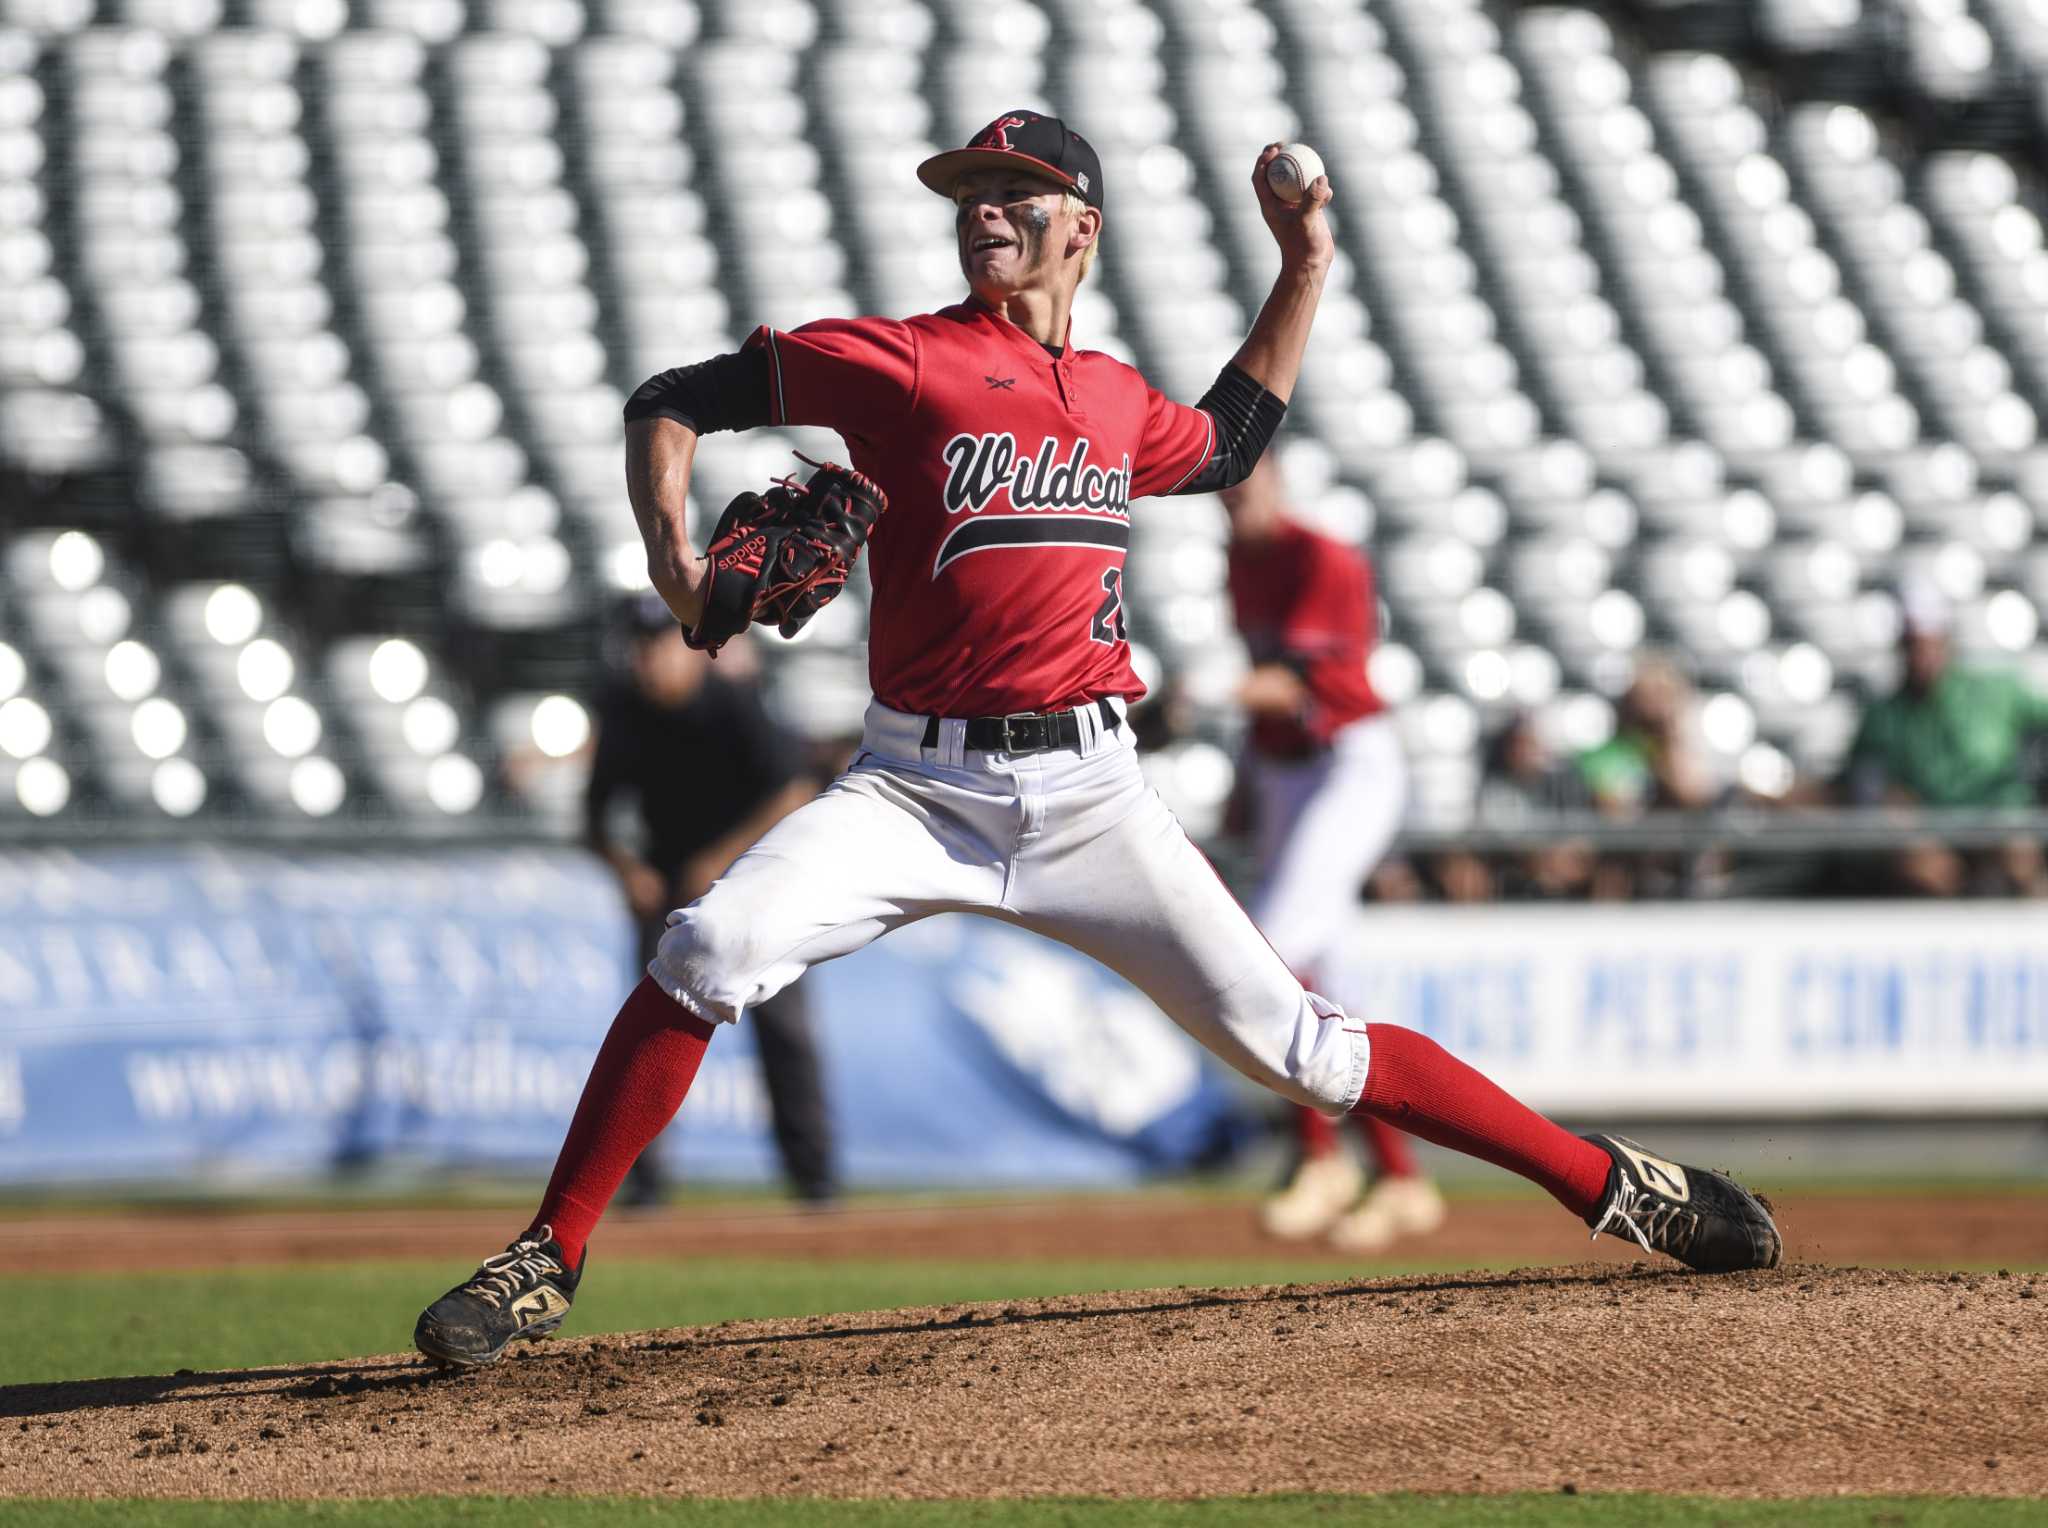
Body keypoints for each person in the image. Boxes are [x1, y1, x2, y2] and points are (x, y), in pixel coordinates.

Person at [413, 113, 1780, 1369]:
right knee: (706, 948)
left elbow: (1235, 440)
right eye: (969, 191)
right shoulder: (900, 359)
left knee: (1309, 1051)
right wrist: (671, 562)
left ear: (1085, 227)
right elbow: (673, 392)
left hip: (1091, 793)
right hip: (914, 784)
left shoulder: (1117, 399)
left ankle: (1610, 1187)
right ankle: (548, 1255)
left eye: (1018, 190)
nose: (985, 206)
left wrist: (1303, 261)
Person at [1221, 454, 1444, 1253]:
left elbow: (1296, 681)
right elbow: (1264, 686)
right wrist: (1247, 778)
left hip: (1348, 759)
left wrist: (1200, 693)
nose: (1235, 497)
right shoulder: (1238, 560)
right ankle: (1398, 1174)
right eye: (1227, 486)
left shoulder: (1320, 556)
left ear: (1279, 478)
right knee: (1327, 981)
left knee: (1271, 953)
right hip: (1285, 769)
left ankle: (1322, 1158)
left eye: (1247, 482)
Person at [586, 594, 837, 1206]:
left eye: (664, 643)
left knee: (783, 1029)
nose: (651, 658)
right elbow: (593, 817)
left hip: (756, 890)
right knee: (648, 1033)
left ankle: (814, 1181)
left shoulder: (732, 703)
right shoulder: (623, 711)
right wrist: (627, 870)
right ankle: (639, 1184)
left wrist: (719, 860)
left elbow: (795, 790)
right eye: (642, 646)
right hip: (669, 891)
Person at [1838, 584, 2048, 896]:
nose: (1922, 656)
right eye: (1913, 646)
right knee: (1920, 867)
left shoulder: (1997, 692)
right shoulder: (1883, 715)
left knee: (2018, 852)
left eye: (1929, 644)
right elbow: (1857, 779)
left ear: (1946, 643)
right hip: (1929, 830)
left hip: (1998, 820)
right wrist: (1890, 803)